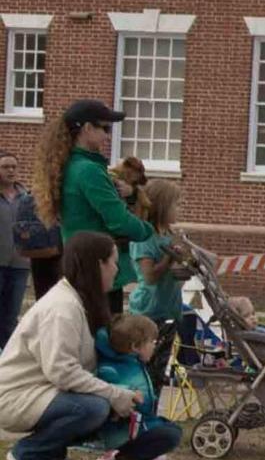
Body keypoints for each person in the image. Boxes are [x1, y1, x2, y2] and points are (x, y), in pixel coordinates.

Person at [0, 232, 162, 460]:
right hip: (18, 397)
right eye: (114, 262)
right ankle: (28, 454)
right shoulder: (62, 308)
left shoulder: (77, 301)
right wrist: (114, 393)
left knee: (100, 404)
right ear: (98, 264)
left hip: (42, 392)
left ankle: (52, 455)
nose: (117, 269)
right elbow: (62, 372)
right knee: (94, 407)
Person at [33, 100, 154, 315]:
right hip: (98, 266)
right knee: (103, 340)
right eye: (105, 128)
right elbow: (119, 220)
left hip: (78, 262)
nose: (108, 135)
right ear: (87, 128)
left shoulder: (69, 164)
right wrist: (148, 230)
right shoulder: (89, 170)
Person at [89, 313, 182, 460]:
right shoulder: (114, 368)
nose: (155, 347)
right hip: (123, 428)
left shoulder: (134, 363)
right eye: (152, 343)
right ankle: (126, 457)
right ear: (135, 347)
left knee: (171, 430)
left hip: (138, 423)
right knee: (171, 434)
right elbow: (105, 386)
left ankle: (133, 455)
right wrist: (127, 392)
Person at [128, 180, 193, 383]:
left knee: (161, 365)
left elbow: (176, 269)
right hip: (149, 310)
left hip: (169, 308)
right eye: (177, 204)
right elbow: (149, 276)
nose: (180, 209)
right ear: (162, 206)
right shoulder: (145, 238)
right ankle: (144, 408)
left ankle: (154, 406)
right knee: (148, 366)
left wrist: (184, 254)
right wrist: (169, 257)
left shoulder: (169, 235)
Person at [0, 151, 31, 349]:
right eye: (5, 167)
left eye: (14, 167)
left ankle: (6, 360)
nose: (11, 171)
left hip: (20, 264)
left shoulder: (26, 198)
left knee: (11, 315)